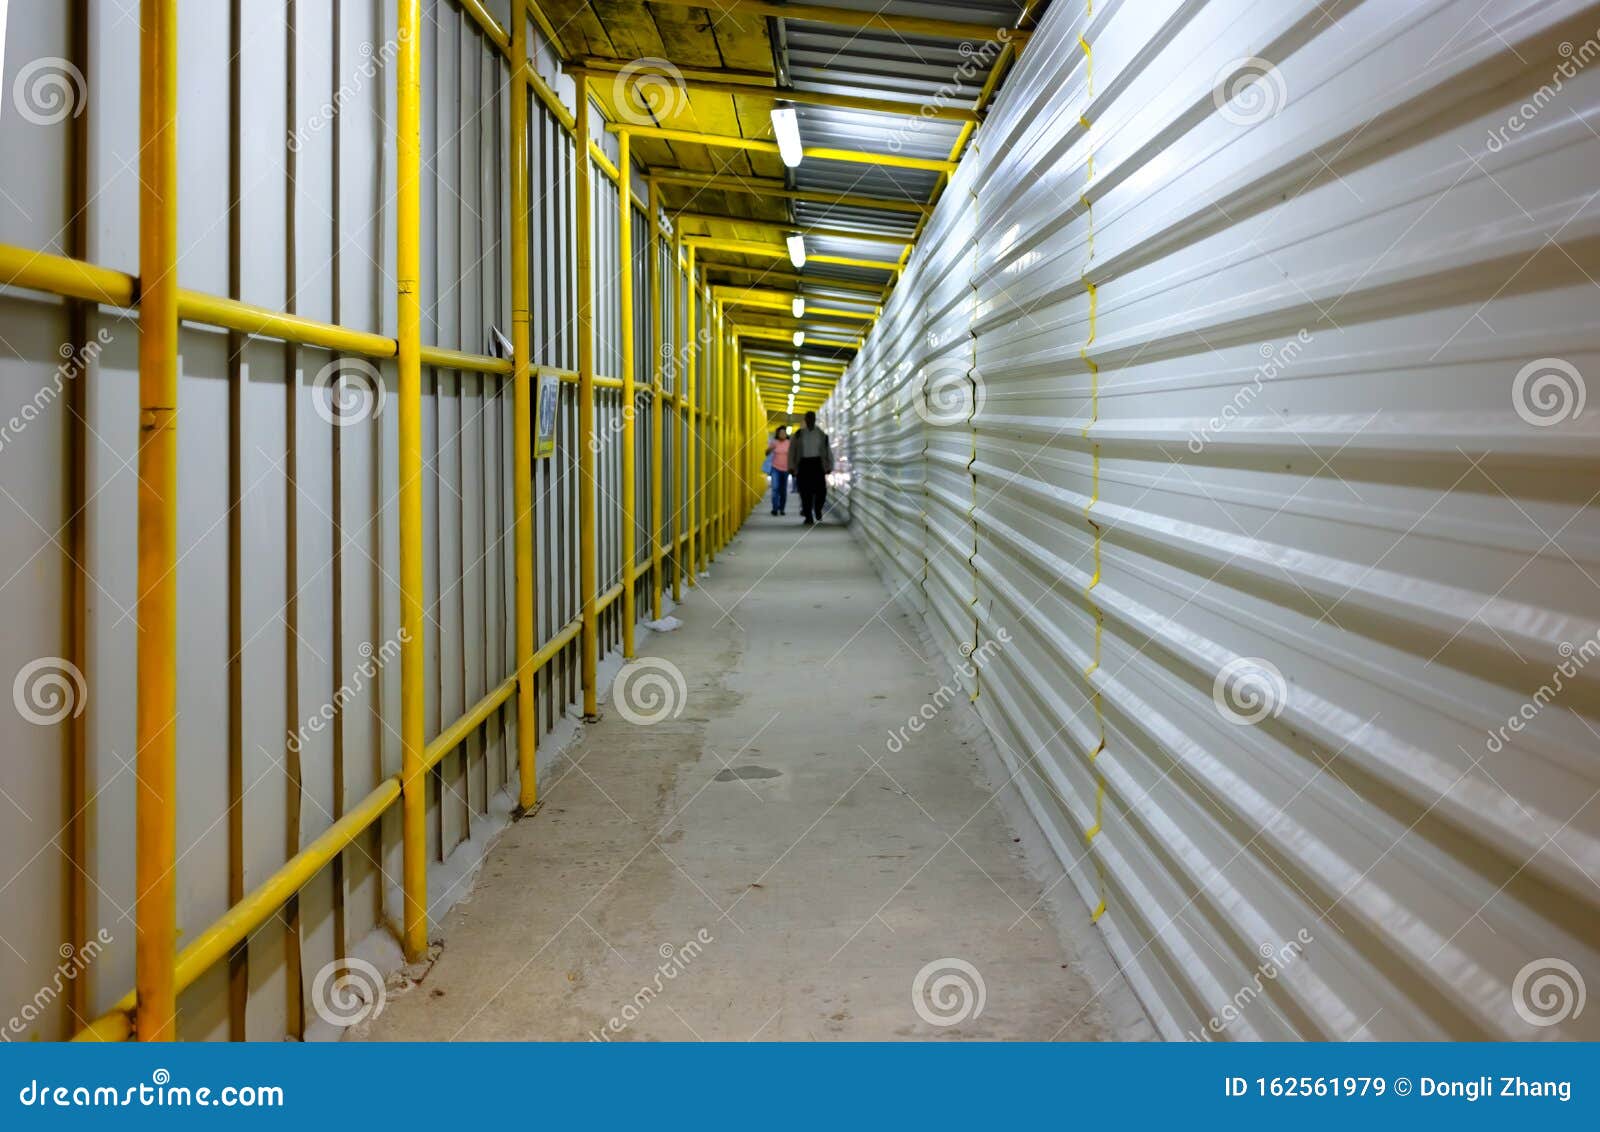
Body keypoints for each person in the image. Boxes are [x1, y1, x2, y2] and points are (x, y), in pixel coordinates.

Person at [789, 411, 832, 526]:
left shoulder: (821, 434)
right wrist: (791, 467)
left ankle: (818, 509)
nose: (810, 420)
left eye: (812, 418)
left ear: (814, 419)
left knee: (821, 491)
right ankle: (808, 516)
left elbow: (827, 451)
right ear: (805, 419)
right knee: (805, 492)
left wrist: (829, 465)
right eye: (808, 418)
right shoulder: (798, 434)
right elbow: (792, 451)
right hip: (803, 464)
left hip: (817, 464)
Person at [765, 426, 790, 515]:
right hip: (775, 468)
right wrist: (771, 448)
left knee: (783, 490)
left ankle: (782, 509)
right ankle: (775, 508)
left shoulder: (789, 443)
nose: (782, 434)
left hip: (786, 469)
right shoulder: (774, 442)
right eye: (781, 433)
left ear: (786, 434)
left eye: (784, 433)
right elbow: (766, 453)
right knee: (775, 488)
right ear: (778, 434)